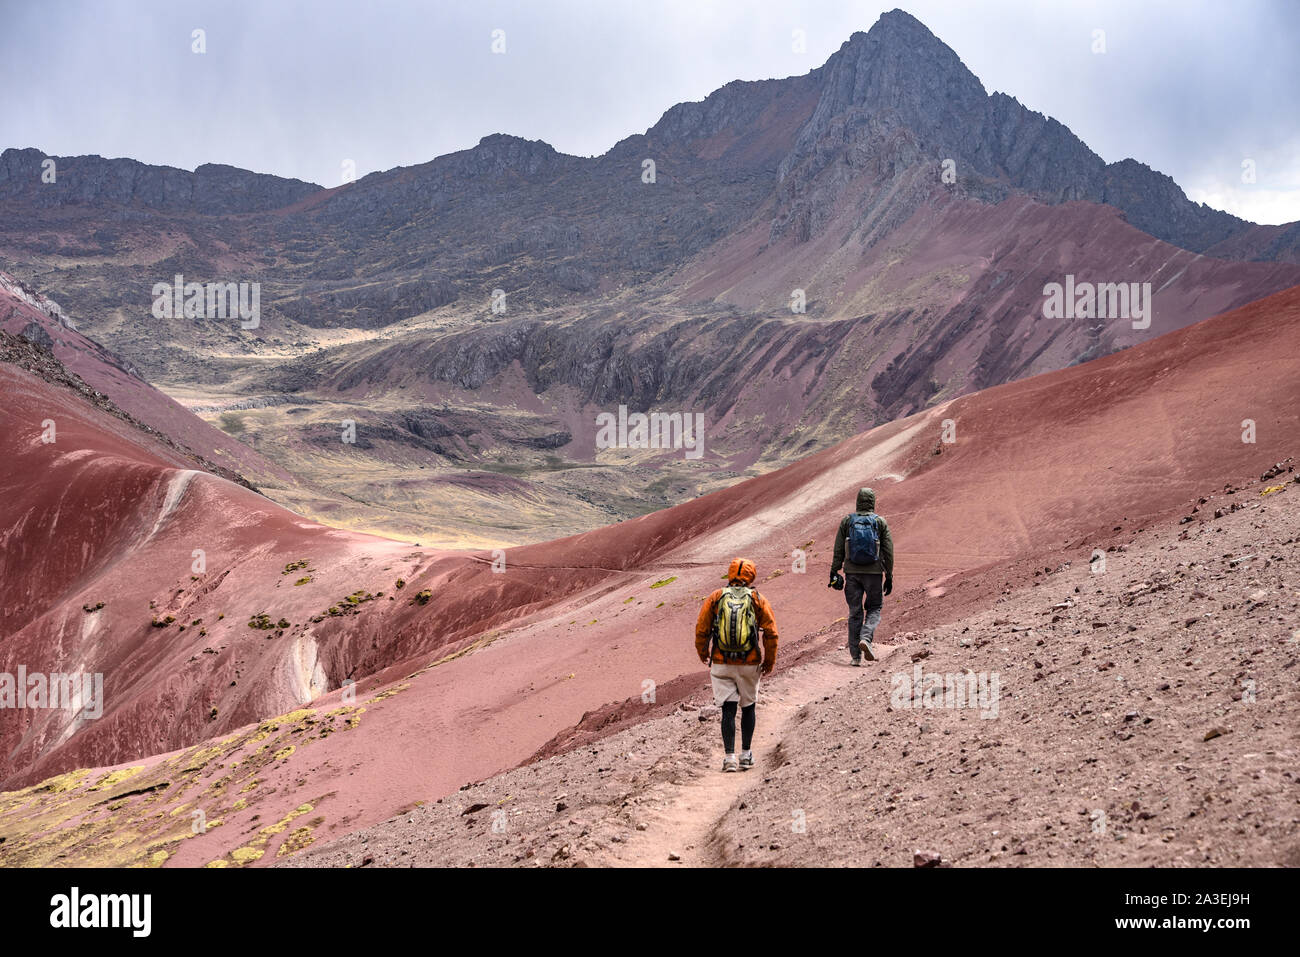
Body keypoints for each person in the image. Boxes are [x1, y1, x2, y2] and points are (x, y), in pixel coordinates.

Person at [694, 558, 778, 772]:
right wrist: (769, 661)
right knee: (748, 706)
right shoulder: (758, 598)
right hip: (749, 663)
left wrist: (703, 653)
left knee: (728, 710)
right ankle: (746, 755)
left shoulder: (716, 597)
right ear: (751, 577)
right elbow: (771, 633)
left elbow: (702, 629)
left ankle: (729, 757)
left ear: (730, 575)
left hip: (721, 663)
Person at [829, 487, 894, 665]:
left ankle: (856, 657)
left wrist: (834, 571)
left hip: (852, 574)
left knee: (855, 613)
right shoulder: (879, 522)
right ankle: (866, 638)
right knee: (874, 608)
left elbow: (839, 549)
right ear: (872, 502)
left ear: (858, 501)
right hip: (873, 574)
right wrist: (889, 575)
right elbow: (888, 551)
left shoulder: (847, 521)